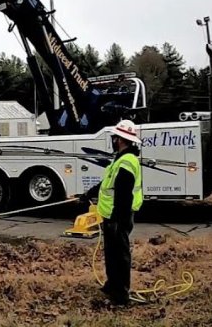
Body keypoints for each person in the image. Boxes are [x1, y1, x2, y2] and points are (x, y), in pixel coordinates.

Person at [84, 119, 144, 306]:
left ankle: (120, 295)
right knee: (112, 254)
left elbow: (123, 195)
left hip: (118, 217)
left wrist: (119, 219)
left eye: (115, 137)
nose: (113, 140)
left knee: (119, 255)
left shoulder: (126, 162)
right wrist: (90, 193)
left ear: (120, 140)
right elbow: (107, 183)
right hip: (111, 216)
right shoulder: (120, 159)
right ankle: (112, 285)